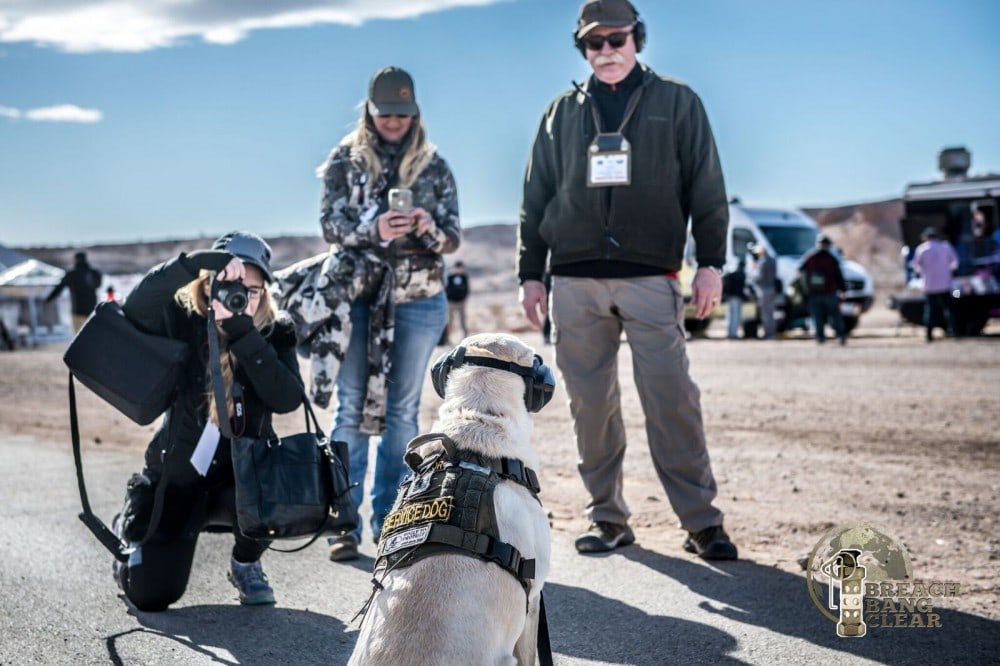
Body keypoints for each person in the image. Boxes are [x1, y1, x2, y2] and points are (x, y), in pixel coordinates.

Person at [517, 0, 737, 561]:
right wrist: (531, 275)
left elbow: (707, 186)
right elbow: (535, 197)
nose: (607, 52)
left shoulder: (676, 102)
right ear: (583, 49)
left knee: (672, 399)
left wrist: (711, 262)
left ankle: (702, 523)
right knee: (590, 406)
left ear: (637, 38)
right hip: (574, 280)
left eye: (617, 39)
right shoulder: (561, 112)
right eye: (595, 43)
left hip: (651, 276)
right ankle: (608, 518)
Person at [111, 231, 304, 611]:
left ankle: (245, 563)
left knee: (273, 493)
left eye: (252, 289)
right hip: (180, 478)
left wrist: (243, 335)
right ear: (208, 282)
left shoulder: (274, 331)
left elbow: (287, 399)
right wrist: (190, 262)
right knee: (151, 596)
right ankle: (131, 529)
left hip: (244, 480)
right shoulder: (183, 319)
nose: (241, 296)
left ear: (264, 293)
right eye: (230, 284)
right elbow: (135, 307)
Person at [318, 66, 461, 561]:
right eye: (386, 113)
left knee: (403, 410)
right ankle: (343, 522)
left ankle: (392, 520)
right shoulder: (345, 160)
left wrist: (424, 226)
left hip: (419, 300)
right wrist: (374, 228)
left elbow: (452, 237)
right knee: (351, 405)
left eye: (403, 113)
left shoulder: (434, 166)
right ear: (370, 112)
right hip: (358, 298)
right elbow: (330, 225)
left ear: (414, 113)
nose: (394, 122)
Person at [909, 226, 958, 342]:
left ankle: (929, 334)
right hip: (945, 284)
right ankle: (953, 331)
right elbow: (955, 263)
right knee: (948, 309)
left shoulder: (921, 249)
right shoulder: (945, 247)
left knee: (930, 310)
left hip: (929, 285)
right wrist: (947, 271)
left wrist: (924, 271)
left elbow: (916, 267)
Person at [799, 235, 847, 345]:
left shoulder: (810, 258)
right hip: (828, 293)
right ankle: (840, 336)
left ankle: (821, 338)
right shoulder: (831, 259)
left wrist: (804, 290)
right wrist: (843, 290)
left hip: (816, 294)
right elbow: (838, 276)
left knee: (818, 317)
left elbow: (801, 271)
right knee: (834, 316)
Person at [45, 251, 102, 332]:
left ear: (76, 259)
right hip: (91, 308)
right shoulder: (94, 273)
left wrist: (49, 299)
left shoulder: (71, 274)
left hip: (77, 309)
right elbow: (98, 285)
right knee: (93, 333)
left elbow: (59, 287)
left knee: (78, 336)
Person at [749, 244, 778, 340]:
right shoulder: (773, 260)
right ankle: (771, 333)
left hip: (764, 290)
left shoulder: (763, 262)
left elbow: (758, 277)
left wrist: (752, 270)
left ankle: (768, 334)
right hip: (772, 289)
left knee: (765, 313)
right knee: (770, 312)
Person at [442, 260, 470, 344]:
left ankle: (466, 338)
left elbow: (467, 289)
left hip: (461, 302)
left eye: (460, 268)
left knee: (463, 320)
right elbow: (446, 289)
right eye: (457, 268)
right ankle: (447, 339)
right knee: (450, 321)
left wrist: (463, 298)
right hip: (451, 302)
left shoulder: (464, 277)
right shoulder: (450, 277)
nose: (458, 269)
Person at [722, 257, 747, 339]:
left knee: (729, 316)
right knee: (736, 316)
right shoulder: (742, 274)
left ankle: (729, 333)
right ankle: (733, 334)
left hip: (729, 297)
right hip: (737, 298)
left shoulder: (731, 273)